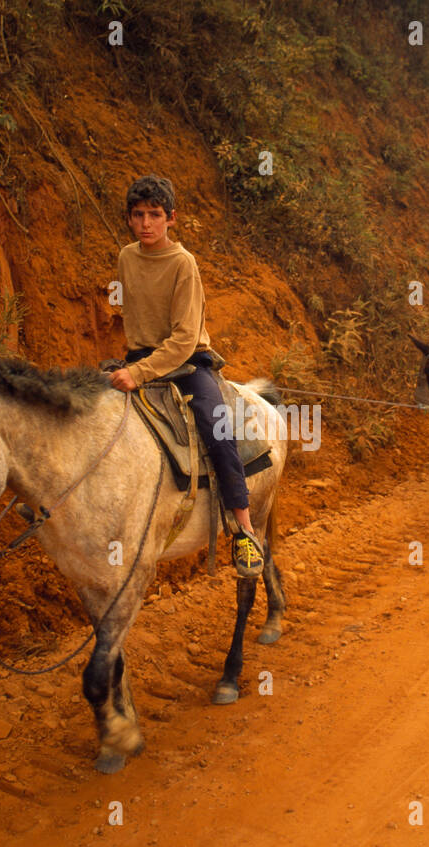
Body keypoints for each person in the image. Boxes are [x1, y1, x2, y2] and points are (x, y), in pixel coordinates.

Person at [107, 175, 264, 578]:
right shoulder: (126, 257)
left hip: (187, 361)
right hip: (141, 358)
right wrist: (134, 364)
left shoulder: (183, 264)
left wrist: (139, 373)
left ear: (171, 219)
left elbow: (183, 338)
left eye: (155, 215)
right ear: (129, 218)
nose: (146, 223)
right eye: (138, 215)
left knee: (217, 426)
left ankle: (243, 529)